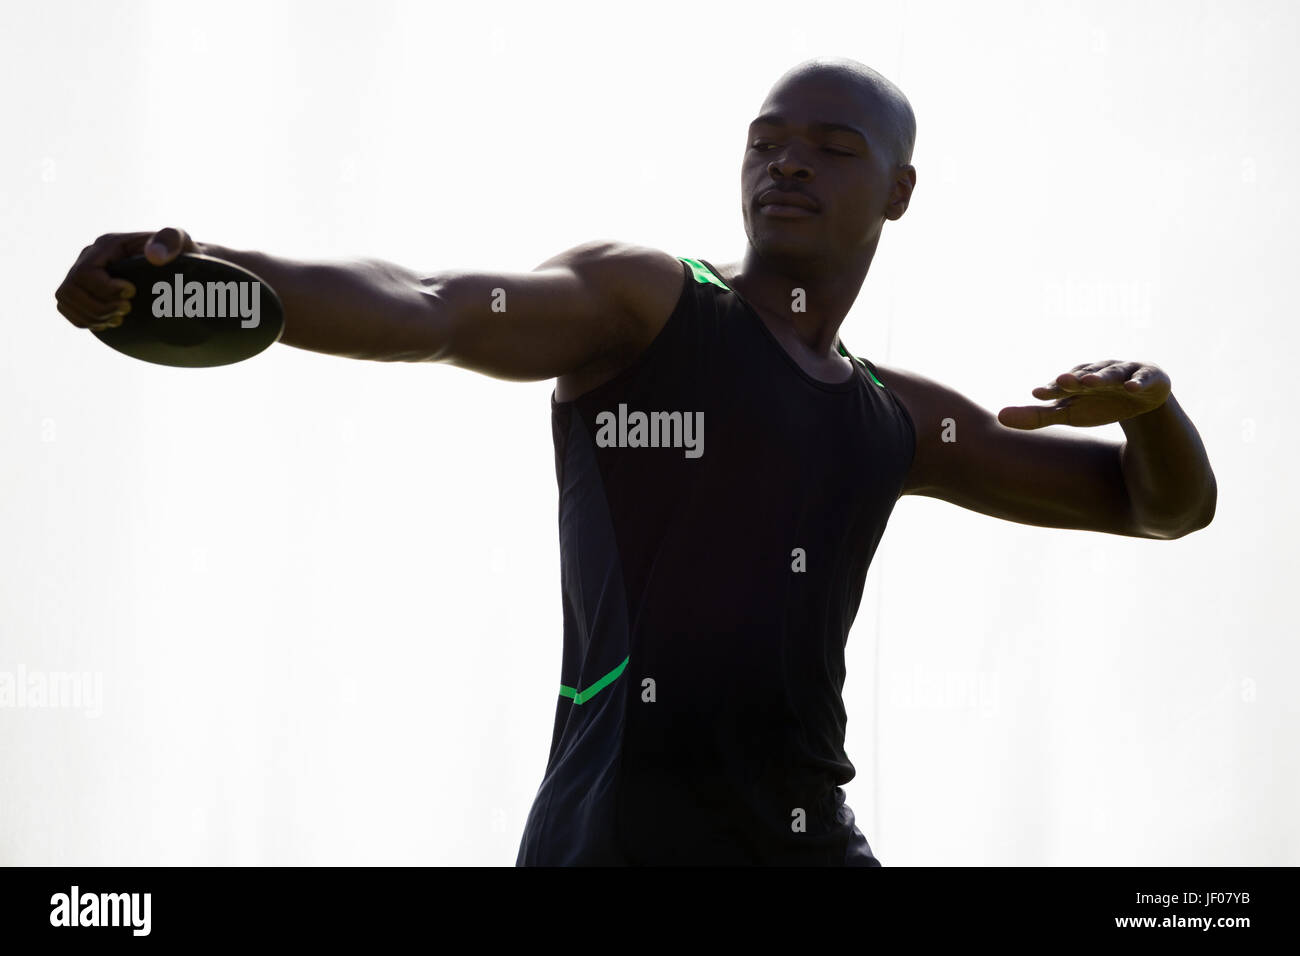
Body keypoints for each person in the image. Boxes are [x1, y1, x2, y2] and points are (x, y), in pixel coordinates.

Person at [54, 57, 1217, 866]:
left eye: (830, 147)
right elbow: (429, 307)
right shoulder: (652, 304)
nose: (787, 165)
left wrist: (1152, 408)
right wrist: (206, 267)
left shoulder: (898, 416)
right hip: (616, 835)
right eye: (764, 144)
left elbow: (1157, 509)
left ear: (898, 190)